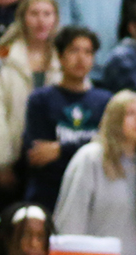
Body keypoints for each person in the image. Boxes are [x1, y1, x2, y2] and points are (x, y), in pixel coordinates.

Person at [0, 0, 59, 199]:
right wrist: (1, 162)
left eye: (47, 14)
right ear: (23, 17)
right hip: (15, 156)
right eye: (34, 13)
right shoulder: (2, 53)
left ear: (56, 19)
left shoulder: (64, 54)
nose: (41, 20)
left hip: (53, 156)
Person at [20, 26, 108, 205]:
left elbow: (107, 151)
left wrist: (60, 150)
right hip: (48, 193)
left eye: (88, 52)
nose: (81, 58)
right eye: (74, 50)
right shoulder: (40, 99)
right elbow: (37, 156)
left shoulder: (106, 101)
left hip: (91, 193)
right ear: (60, 56)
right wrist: (87, 147)